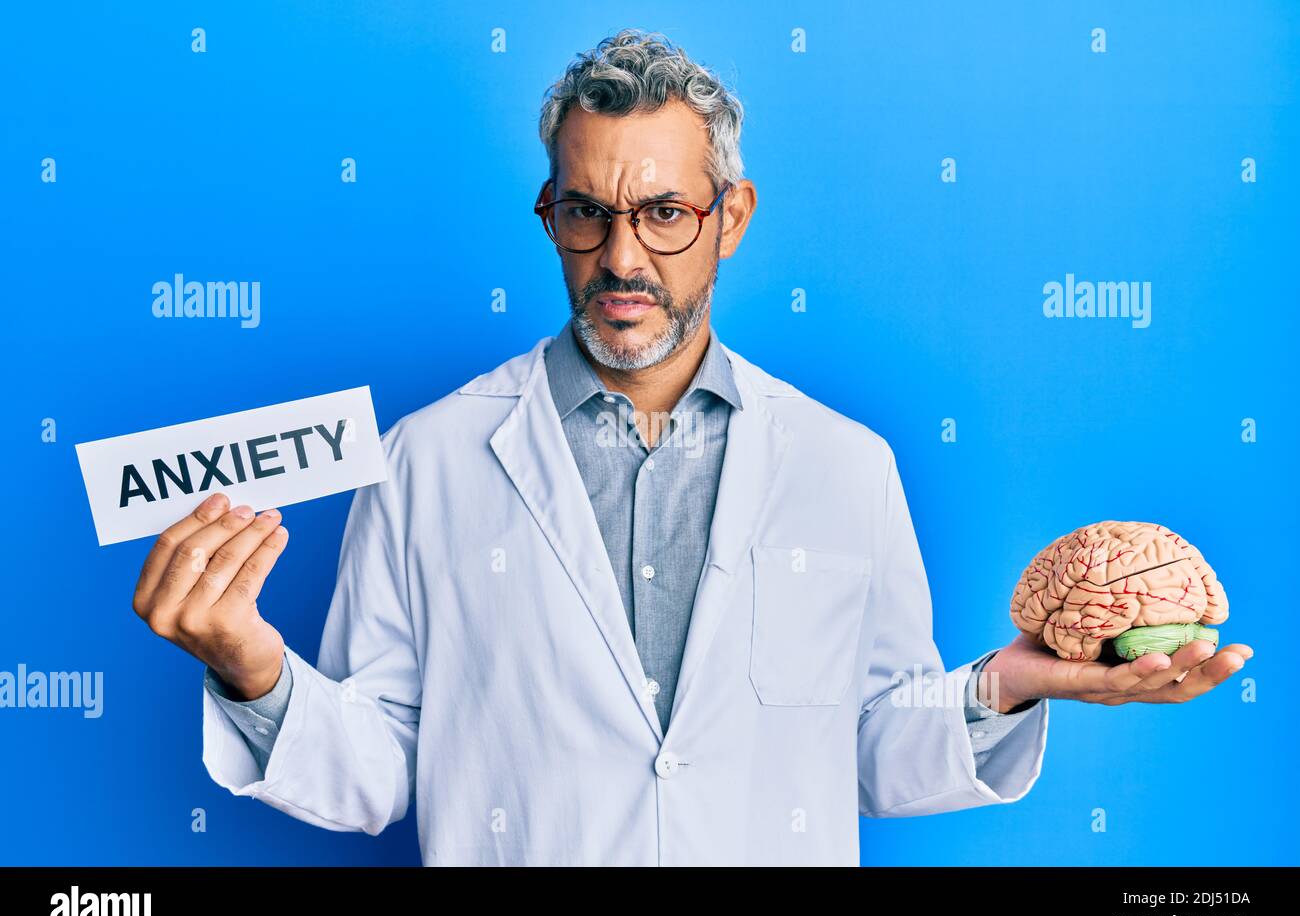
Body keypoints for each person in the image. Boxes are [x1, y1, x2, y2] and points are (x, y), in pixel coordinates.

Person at [132, 29, 1251, 866]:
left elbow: (864, 753)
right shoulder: (428, 458)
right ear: (548, 216)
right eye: (585, 213)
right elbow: (380, 765)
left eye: (664, 213)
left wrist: (1008, 683)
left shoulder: (844, 464)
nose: (622, 256)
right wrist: (252, 664)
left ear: (732, 215)